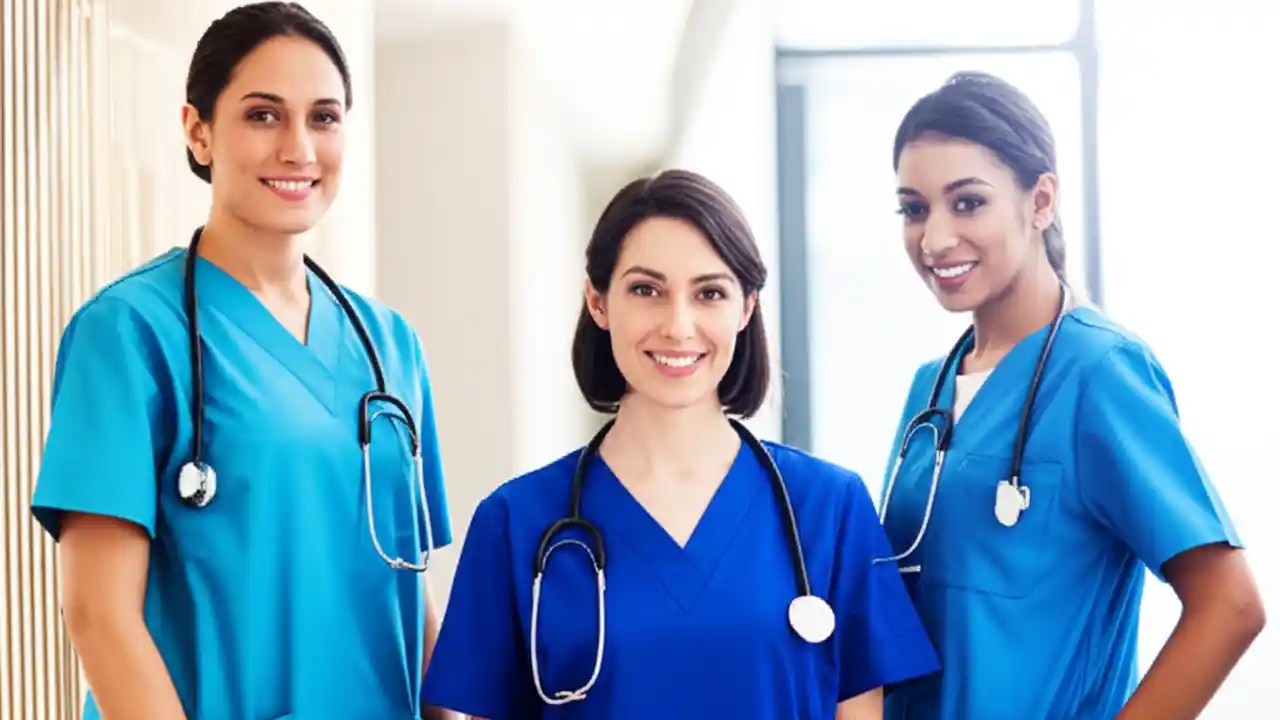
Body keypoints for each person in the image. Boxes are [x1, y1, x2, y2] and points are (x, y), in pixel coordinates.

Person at [30, 3, 452, 718]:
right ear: (198, 131)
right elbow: (97, 613)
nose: (299, 148)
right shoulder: (129, 333)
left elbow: (407, 589)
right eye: (263, 115)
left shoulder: (391, 346)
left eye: (323, 117)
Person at [421, 169, 939, 719]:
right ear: (598, 302)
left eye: (709, 293)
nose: (678, 325)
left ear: (745, 308)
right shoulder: (517, 522)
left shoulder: (829, 508)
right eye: (647, 290)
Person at [879, 70, 1266, 719]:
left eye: (967, 202)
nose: (935, 237)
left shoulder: (1100, 373)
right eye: (914, 208)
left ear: (1041, 201)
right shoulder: (931, 389)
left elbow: (1230, 604)